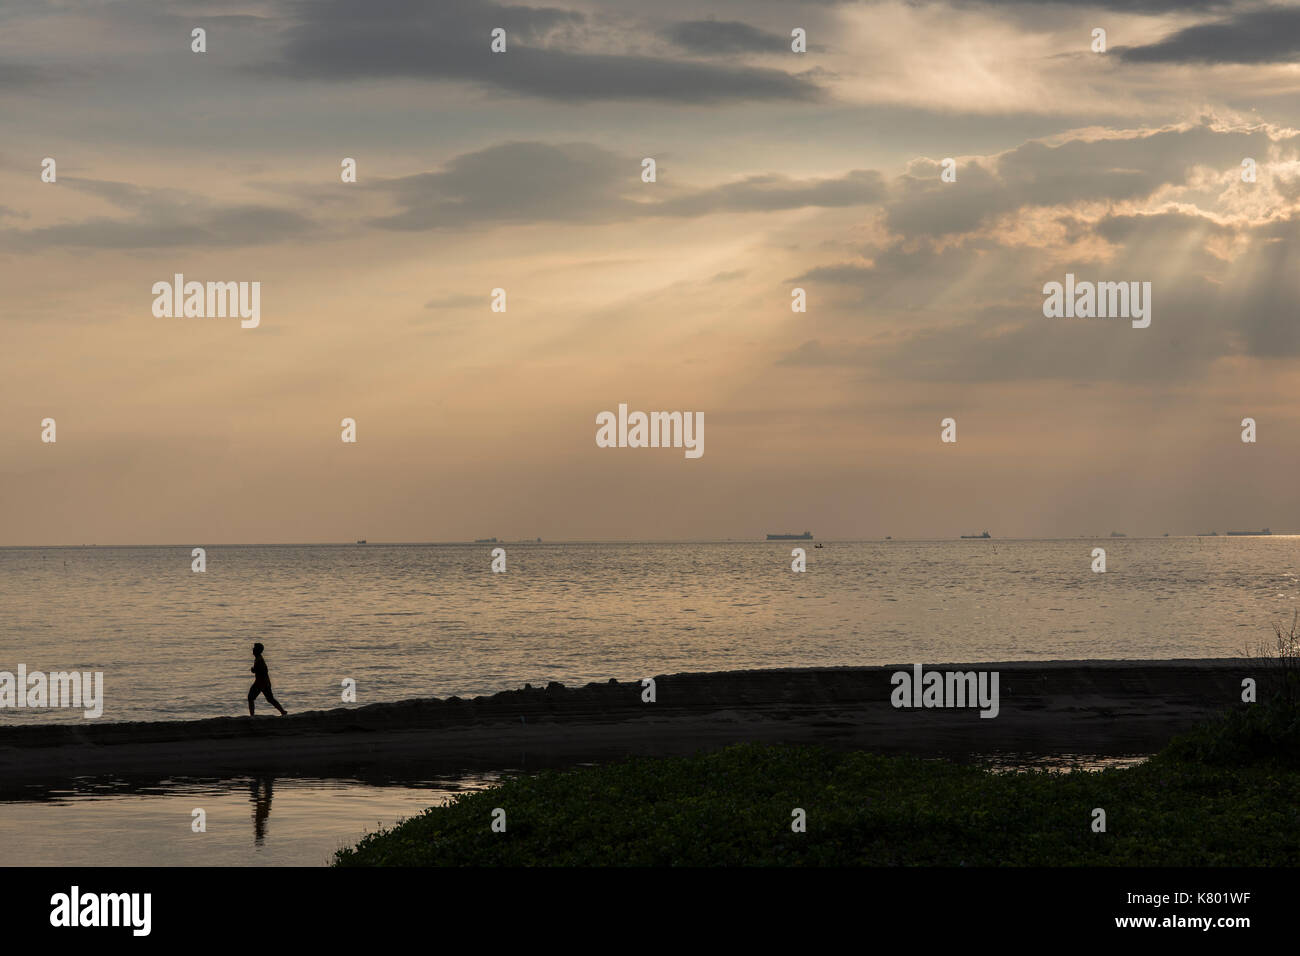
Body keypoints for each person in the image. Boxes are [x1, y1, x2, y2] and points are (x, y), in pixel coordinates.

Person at [248, 643, 287, 716]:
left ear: (257, 650)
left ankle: (252, 715)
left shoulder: (259, 659)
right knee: (270, 699)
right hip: (264, 682)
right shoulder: (258, 658)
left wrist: (254, 670)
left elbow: (264, 670)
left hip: (261, 683)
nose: (252, 650)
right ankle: (283, 711)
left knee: (250, 698)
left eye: (254, 648)